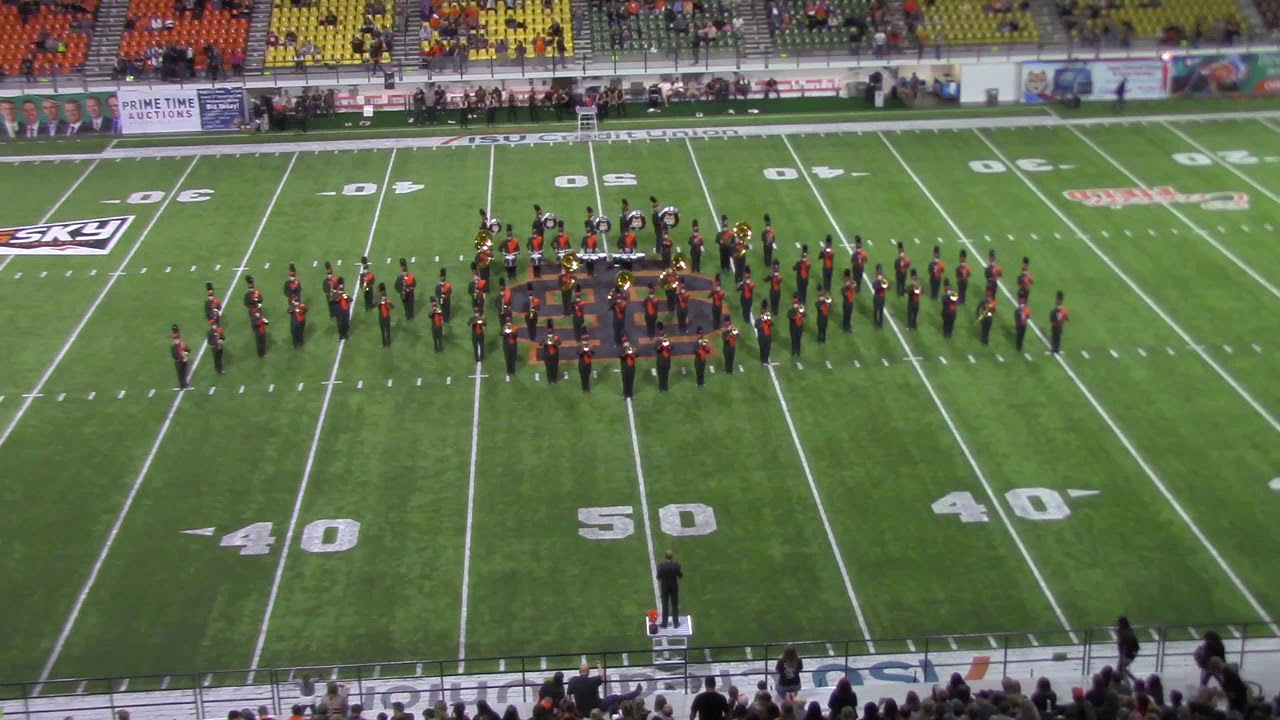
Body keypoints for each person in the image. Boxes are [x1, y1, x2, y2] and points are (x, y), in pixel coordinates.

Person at [568, 663, 643, 715]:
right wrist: (599, 665)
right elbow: (602, 675)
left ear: (579, 671)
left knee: (613, 700)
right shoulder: (593, 681)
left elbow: (568, 697)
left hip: (581, 711)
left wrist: (572, 710)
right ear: (588, 672)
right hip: (597, 707)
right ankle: (635, 693)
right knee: (615, 697)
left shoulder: (573, 681)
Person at [657, 549, 682, 627]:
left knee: (665, 605)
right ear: (672, 556)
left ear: (665, 556)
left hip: (665, 588)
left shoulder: (661, 566)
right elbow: (680, 576)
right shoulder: (676, 566)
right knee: (674, 605)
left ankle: (664, 624)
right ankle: (676, 623)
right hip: (674, 587)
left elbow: (658, 577)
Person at [1116, 616, 1139, 682]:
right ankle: (1136, 681)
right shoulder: (1127, 631)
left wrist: (1123, 657)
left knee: (1121, 671)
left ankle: (1128, 685)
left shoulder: (1124, 633)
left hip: (1127, 655)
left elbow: (1123, 646)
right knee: (1122, 670)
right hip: (1129, 655)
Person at [377, 283, 394, 347]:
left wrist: (387, 302)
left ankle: (388, 343)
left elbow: (393, 307)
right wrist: (381, 302)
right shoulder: (379, 302)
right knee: (382, 331)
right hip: (381, 318)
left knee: (388, 330)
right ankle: (384, 343)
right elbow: (375, 305)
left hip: (386, 318)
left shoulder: (388, 301)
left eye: (384, 296)